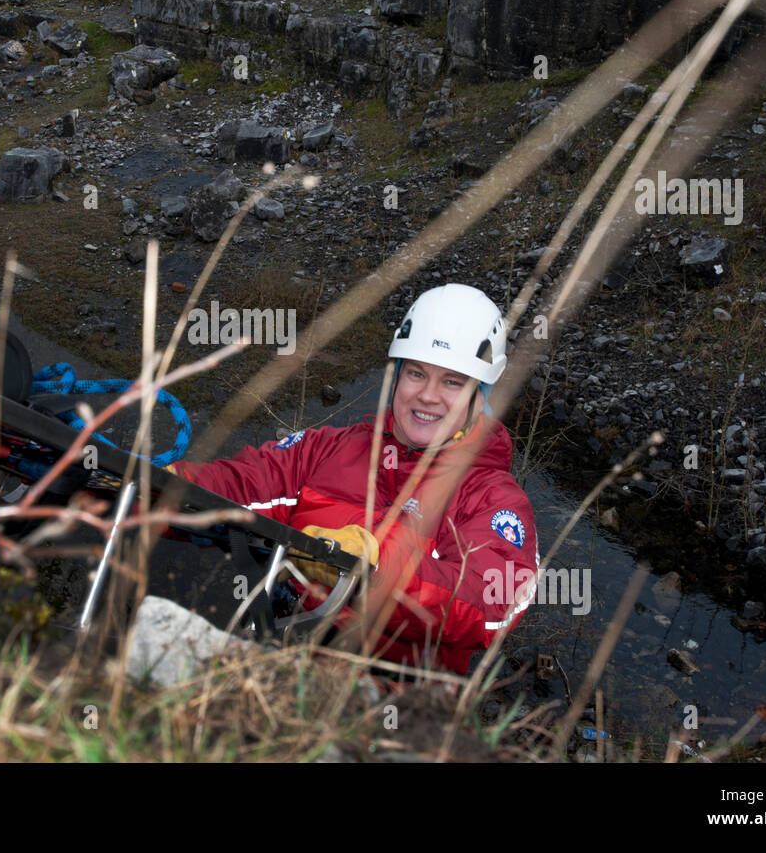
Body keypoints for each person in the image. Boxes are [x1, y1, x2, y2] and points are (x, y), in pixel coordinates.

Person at [167, 284, 539, 674]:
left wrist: (375, 569)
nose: (428, 396)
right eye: (416, 373)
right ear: (396, 378)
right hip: (284, 661)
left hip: (398, 702)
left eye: (452, 382)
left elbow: (490, 606)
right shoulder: (326, 449)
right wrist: (149, 485)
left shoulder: (494, 500)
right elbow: (239, 487)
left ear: (479, 397)